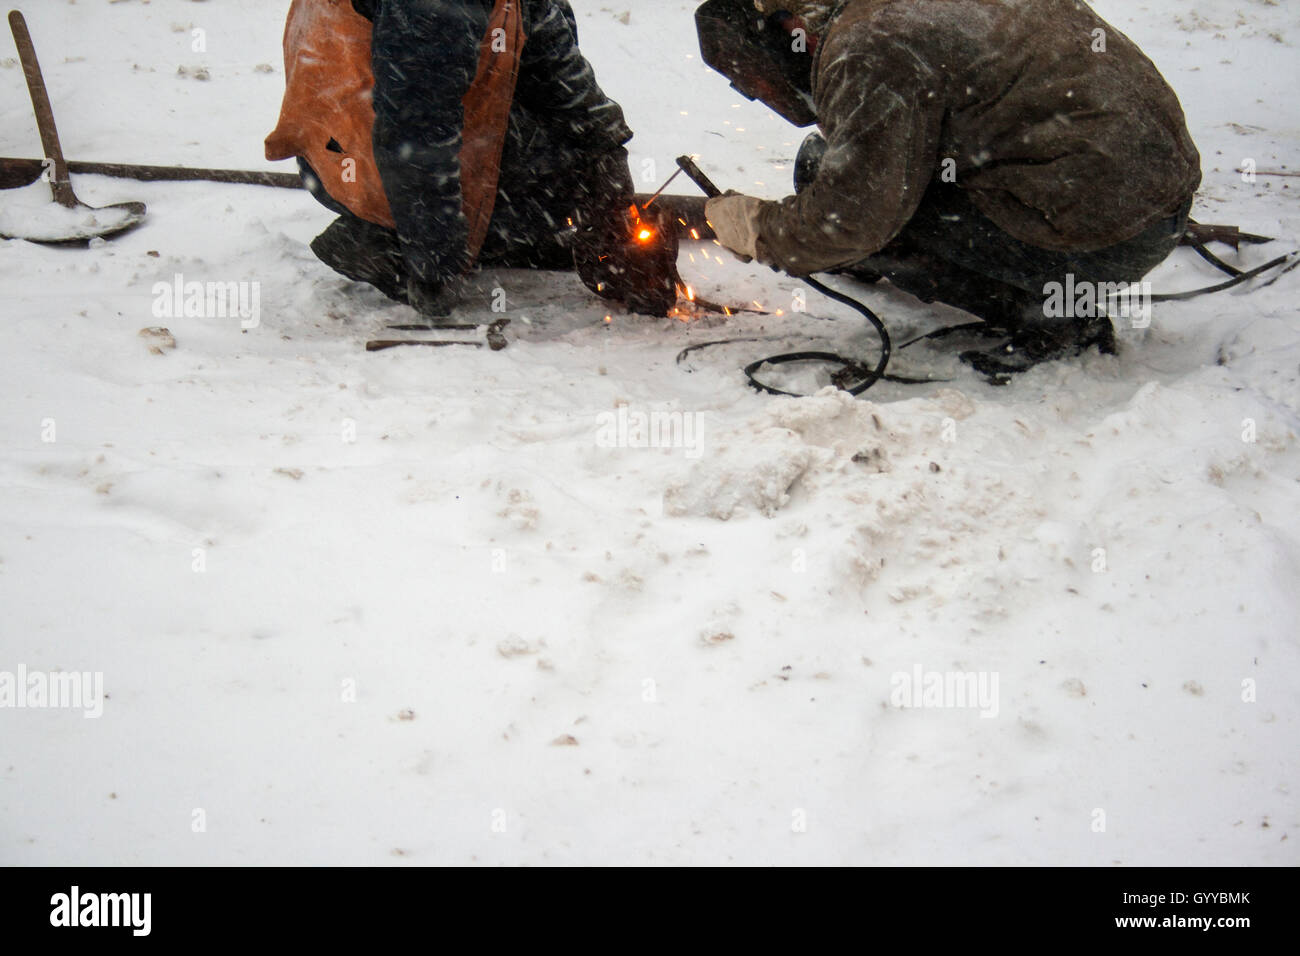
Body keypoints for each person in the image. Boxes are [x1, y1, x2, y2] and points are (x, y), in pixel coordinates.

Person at [703, 0, 1202, 377]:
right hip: (1155, 199)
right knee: (836, 172)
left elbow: (853, 217)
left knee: (858, 213)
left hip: (1106, 239)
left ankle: (1054, 317)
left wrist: (757, 229)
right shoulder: (899, 16)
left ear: (791, 22)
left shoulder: (869, 43)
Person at [265, 0, 678, 318]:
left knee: (569, 174)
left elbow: (555, 68)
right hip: (354, 150)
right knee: (544, 192)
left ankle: (466, 233)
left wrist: (609, 181)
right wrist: (433, 264)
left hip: (404, 123)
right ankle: (390, 241)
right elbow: (416, 128)